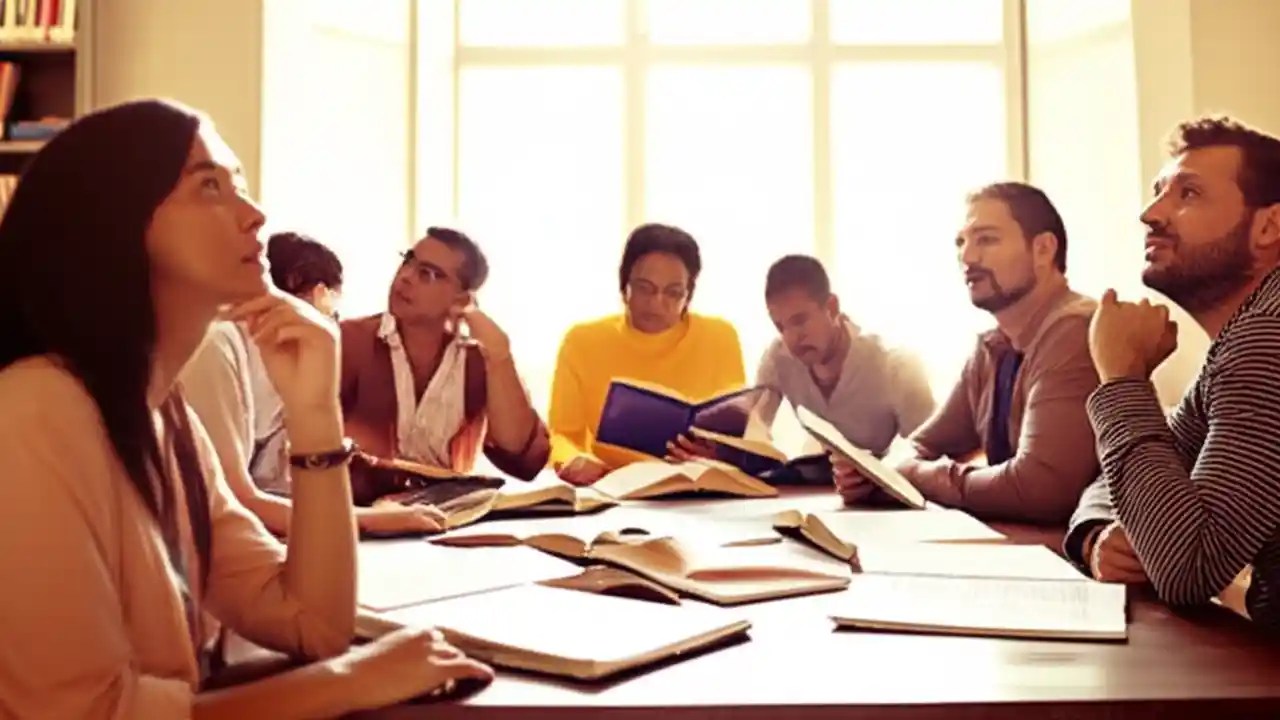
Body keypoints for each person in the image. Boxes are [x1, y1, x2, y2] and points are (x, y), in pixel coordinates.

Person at [0, 99, 491, 717]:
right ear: (114, 220)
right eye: (209, 186)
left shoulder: (163, 417)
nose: (255, 214)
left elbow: (312, 623)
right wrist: (351, 680)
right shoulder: (36, 412)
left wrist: (314, 413)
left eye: (241, 187)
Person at [1067, 116, 1280, 631]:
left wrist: (1121, 377)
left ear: (1269, 227)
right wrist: (1099, 535)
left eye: (1188, 194)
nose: (1150, 214)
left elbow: (1187, 565)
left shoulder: (1266, 339)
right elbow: (1129, 481)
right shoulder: (1242, 339)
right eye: (1158, 192)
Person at [834, 182, 1100, 524]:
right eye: (961, 242)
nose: (968, 257)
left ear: (1044, 249)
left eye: (986, 239)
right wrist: (876, 476)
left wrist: (912, 476)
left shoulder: (1076, 330)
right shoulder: (993, 346)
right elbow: (918, 445)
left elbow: (1040, 490)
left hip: (1087, 562)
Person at [183, 232, 447, 536]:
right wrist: (371, 521)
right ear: (317, 295)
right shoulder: (218, 344)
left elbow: (280, 490)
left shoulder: (278, 362)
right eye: (334, 314)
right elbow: (233, 501)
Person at [340, 227, 549, 488]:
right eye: (408, 261)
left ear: (461, 298)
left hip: (447, 516)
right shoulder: (349, 340)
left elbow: (522, 456)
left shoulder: (476, 358)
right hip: (358, 513)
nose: (405, 277)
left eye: (428, 274)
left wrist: (500, 356)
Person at [549, 223, 747, 485]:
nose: (656, 303)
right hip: (612, 488)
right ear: (624, 287)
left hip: (697, 487)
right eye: (645, 288)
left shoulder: (720, 337)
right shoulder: (582, 341)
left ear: (688, 296)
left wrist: (718, 453)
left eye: (673, 293)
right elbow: (561, 435)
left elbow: (739, 436)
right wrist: (572, 459)